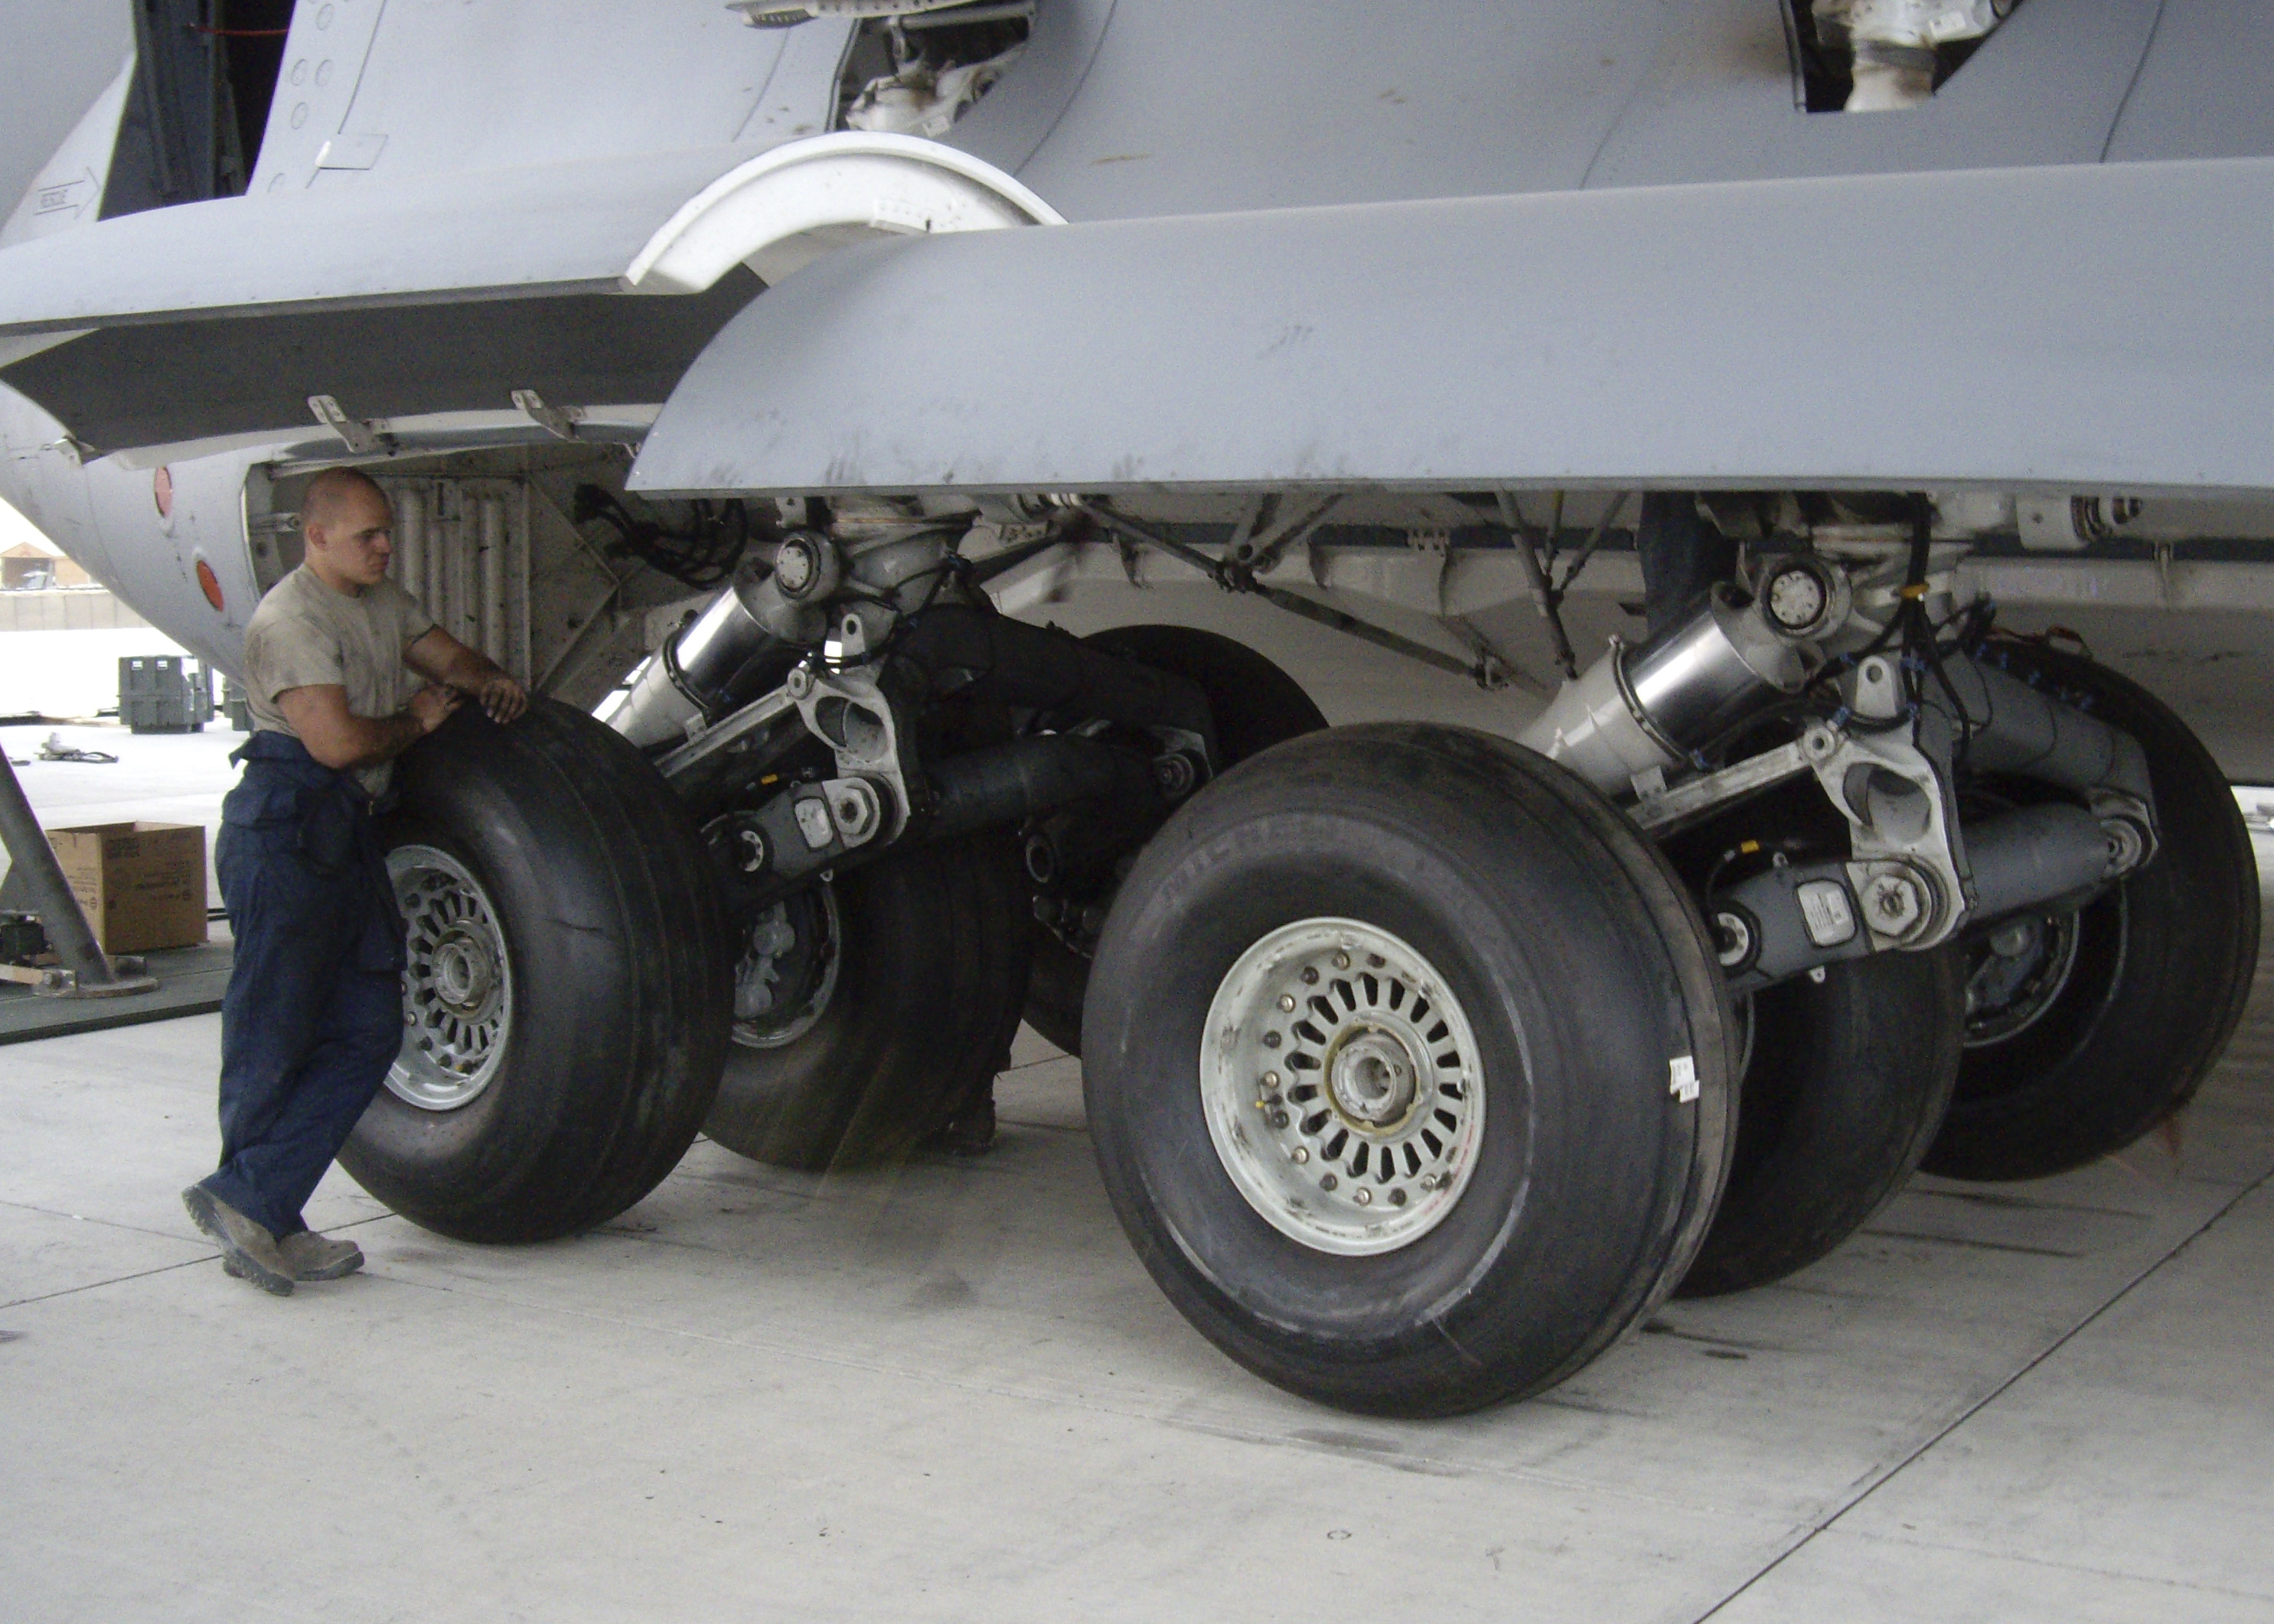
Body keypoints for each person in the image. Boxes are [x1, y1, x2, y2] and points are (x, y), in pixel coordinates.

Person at [182, 467, 527, 1296]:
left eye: (386, 533)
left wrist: (487, 680)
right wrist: (419, 720)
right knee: (276, 1028)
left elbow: (444, 653)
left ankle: (253, 1199)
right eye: (369, 535)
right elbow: (335, 742)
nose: (385, 546)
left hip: (343, 829)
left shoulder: (380, 599)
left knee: (370, 1028)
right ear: (317, 535)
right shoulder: (291, 620)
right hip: (286, 825)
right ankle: (261, 1211)